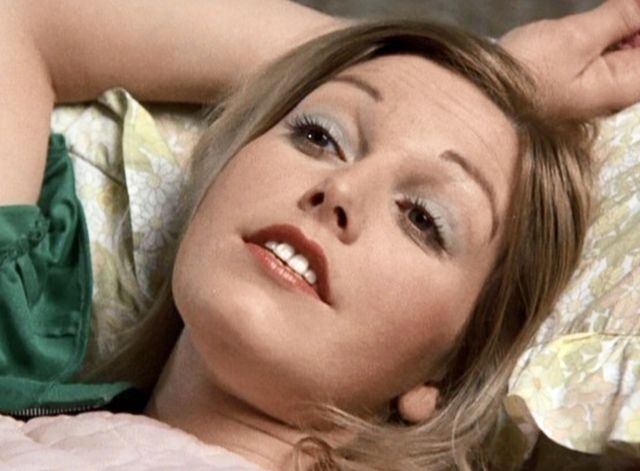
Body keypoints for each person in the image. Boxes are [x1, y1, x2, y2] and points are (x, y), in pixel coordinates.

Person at [1, 1, 639, 470]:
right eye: (318, 135)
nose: (341, 189)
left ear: (450, 371)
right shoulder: (19, 353)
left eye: (422, 217)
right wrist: (485, 68)